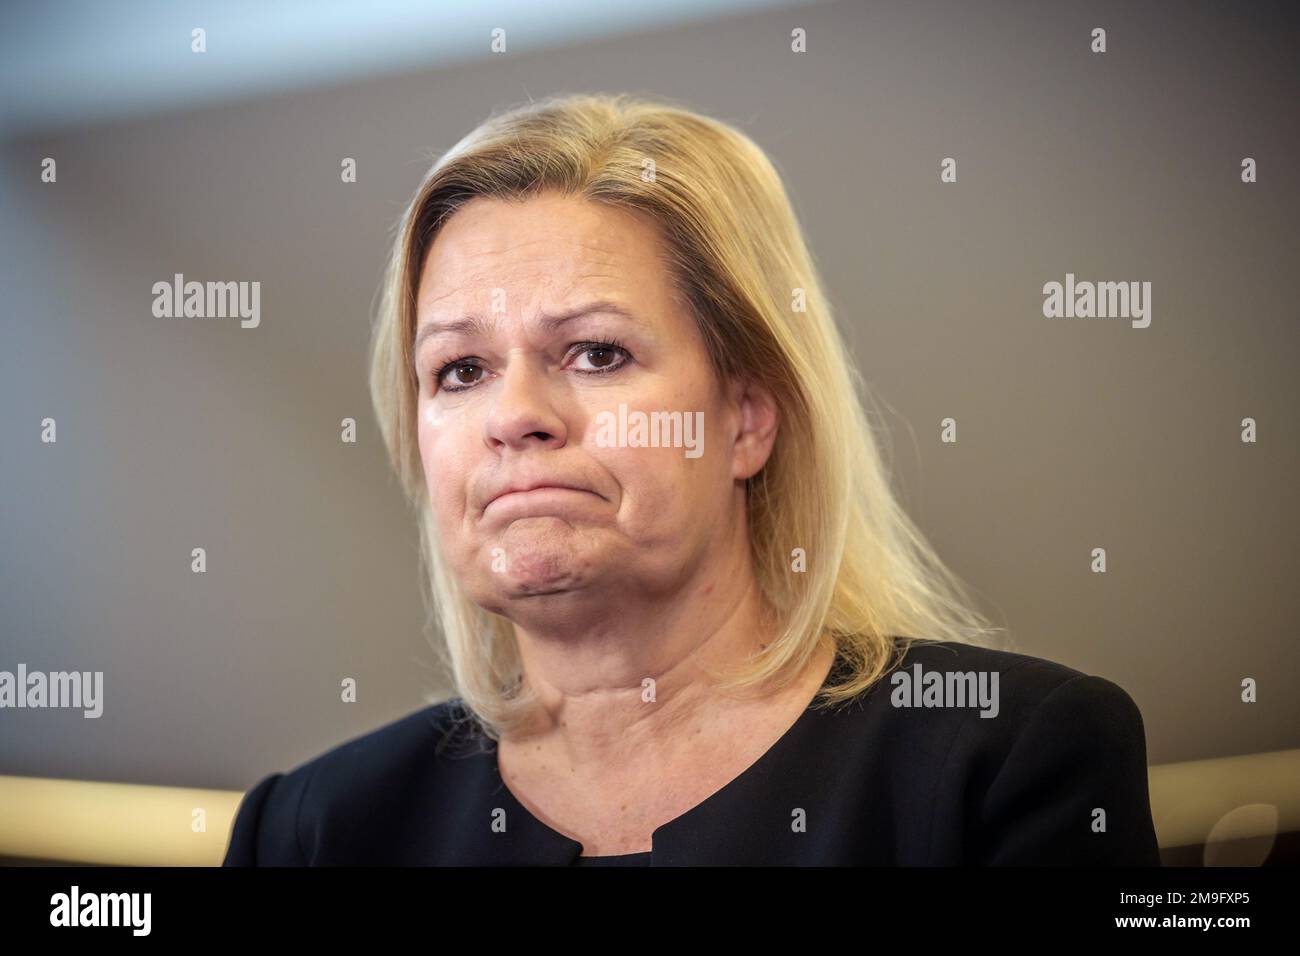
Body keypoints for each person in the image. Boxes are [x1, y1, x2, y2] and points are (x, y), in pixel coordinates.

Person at [223, 93, 1161, 866]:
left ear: (747, 417)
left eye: (595, 352)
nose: (514, 415)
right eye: (459, 370)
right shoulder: (311, 832)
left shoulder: (1005, 764)